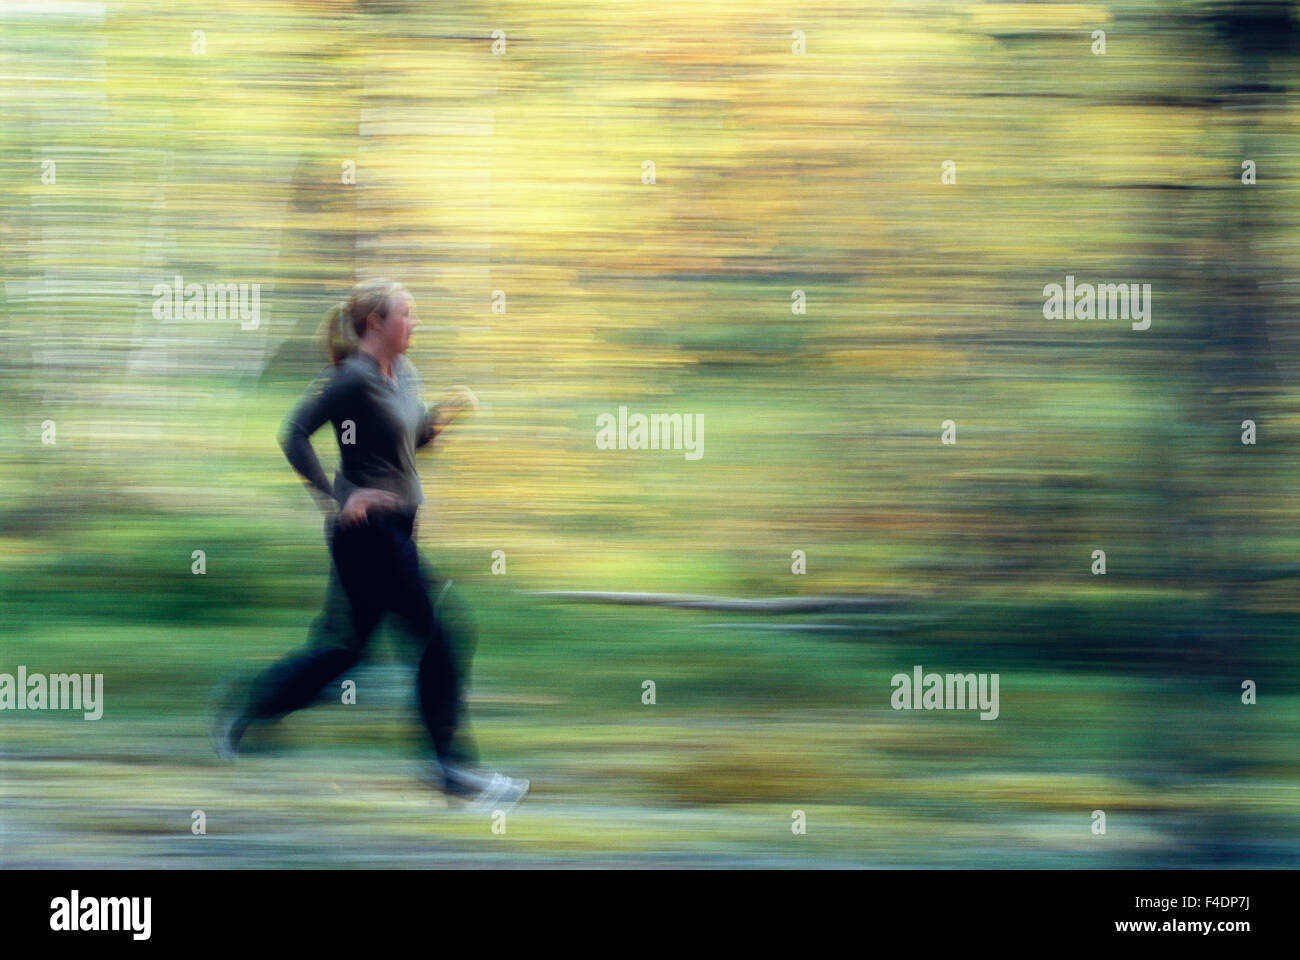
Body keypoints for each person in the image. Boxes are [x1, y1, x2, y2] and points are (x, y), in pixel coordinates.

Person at [211, 279, 528, 809]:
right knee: (444, 634)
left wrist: (444, 414)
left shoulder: (405, 374)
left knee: (343, 649)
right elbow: (293, 435)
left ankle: (249, 709)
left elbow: (409, 440)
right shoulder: (350, 378)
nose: (416, 321)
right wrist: (339, 499)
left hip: (399, 527)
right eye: (407, 313)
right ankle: (452, 772)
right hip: (366, 534)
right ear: (376, 323)